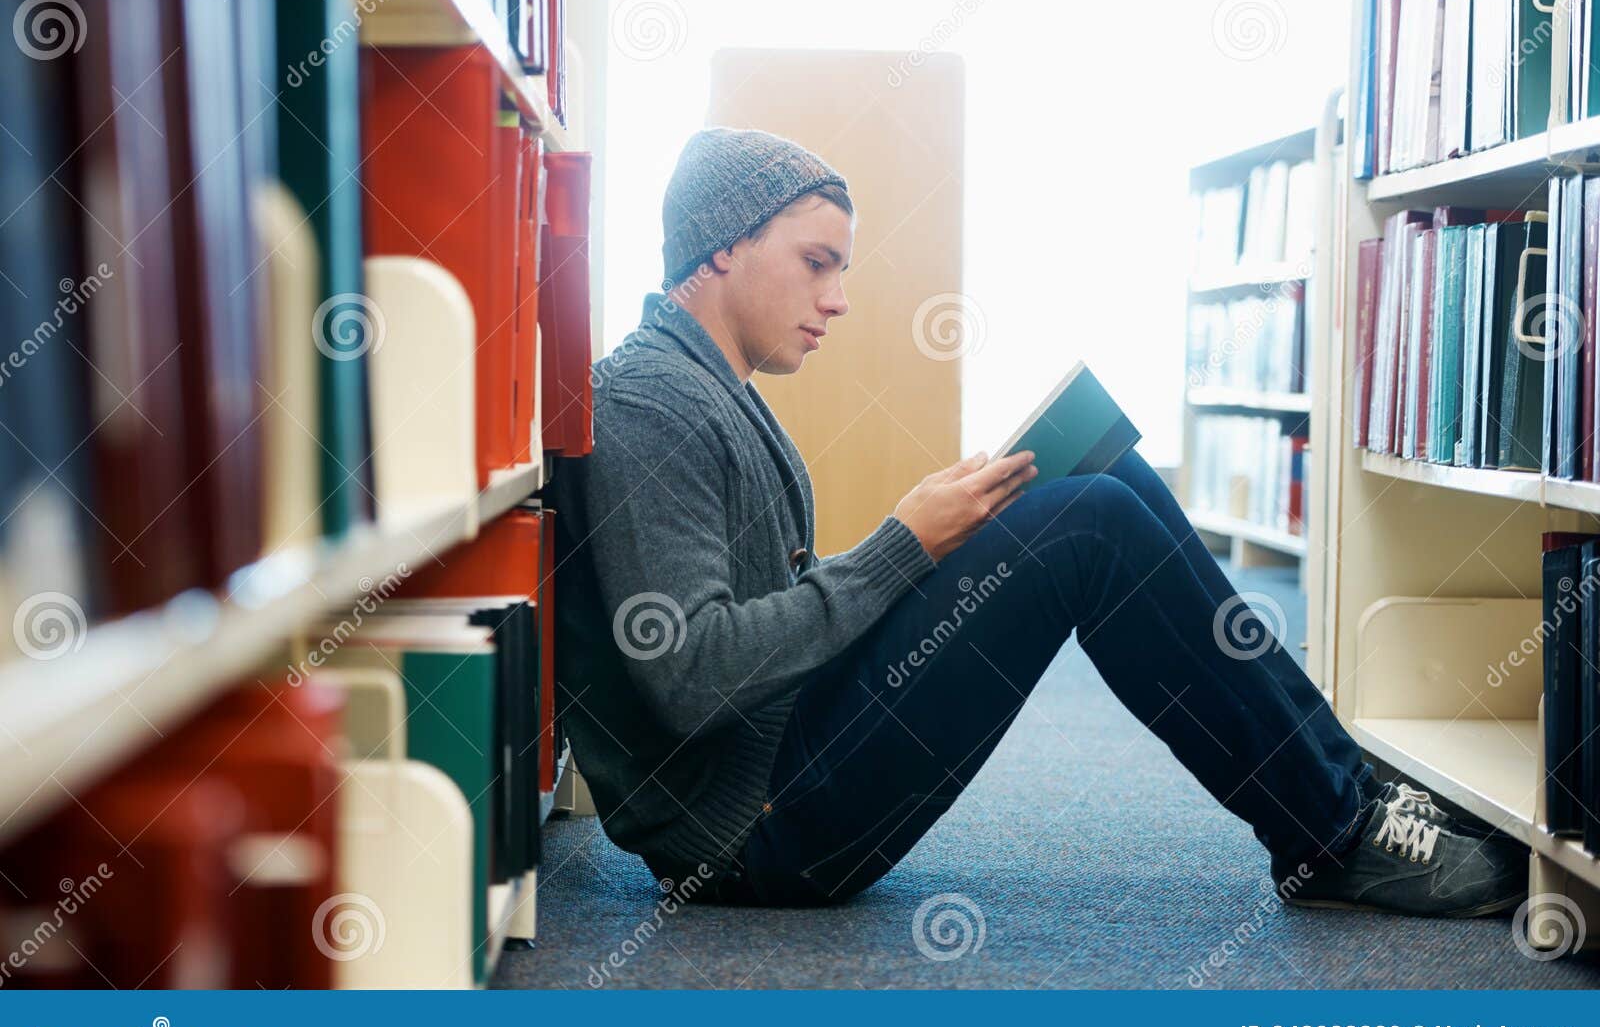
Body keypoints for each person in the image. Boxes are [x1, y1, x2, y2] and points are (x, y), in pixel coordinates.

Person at [548, 127, 1526, 917]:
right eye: (815, 264)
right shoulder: (651, 403)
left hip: (787, 752)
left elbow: (754, 619)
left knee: (1105, 474)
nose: (837, 300)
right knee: (1087, 522)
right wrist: (902, 547)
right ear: (722, 243)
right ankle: (1336, 835)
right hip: (753, 832)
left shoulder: (705, 386)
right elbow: (688, 674)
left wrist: (938, 533)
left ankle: (1337, 788)